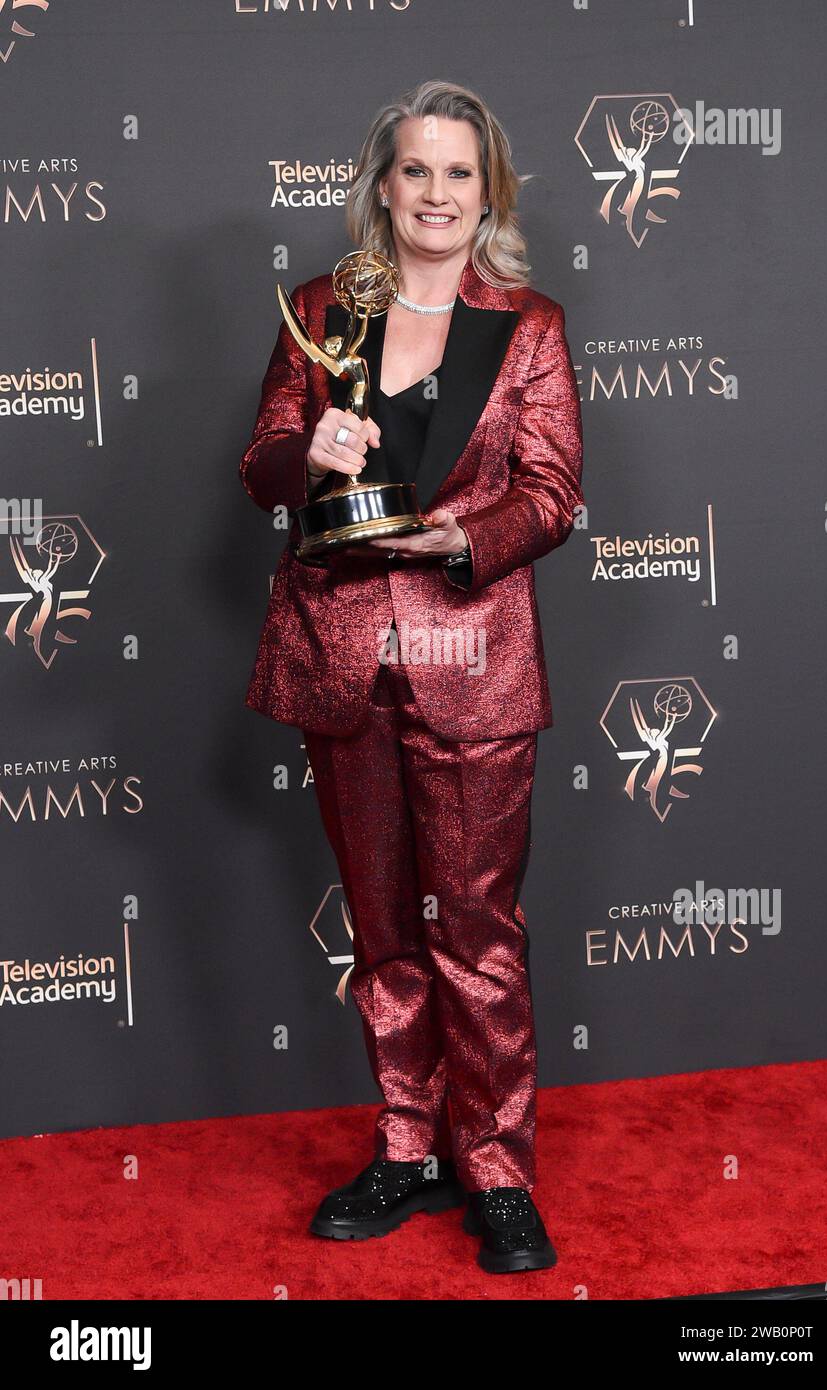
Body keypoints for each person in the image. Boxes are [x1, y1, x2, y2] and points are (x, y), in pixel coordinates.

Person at [239, 79, 584, 1275]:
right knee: (383, 929)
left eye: (458, 173)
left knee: (477, 933)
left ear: (486, 190)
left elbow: (551, 492)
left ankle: (493, 1166)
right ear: (380, 184)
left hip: (472, 654)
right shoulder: (320, 307)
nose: (435, 194)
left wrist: (456, 539)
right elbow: (261, 465)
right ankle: (404, 1145)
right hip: (342, 656)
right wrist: (306, 450)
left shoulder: (528, 325)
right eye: (414, 171)